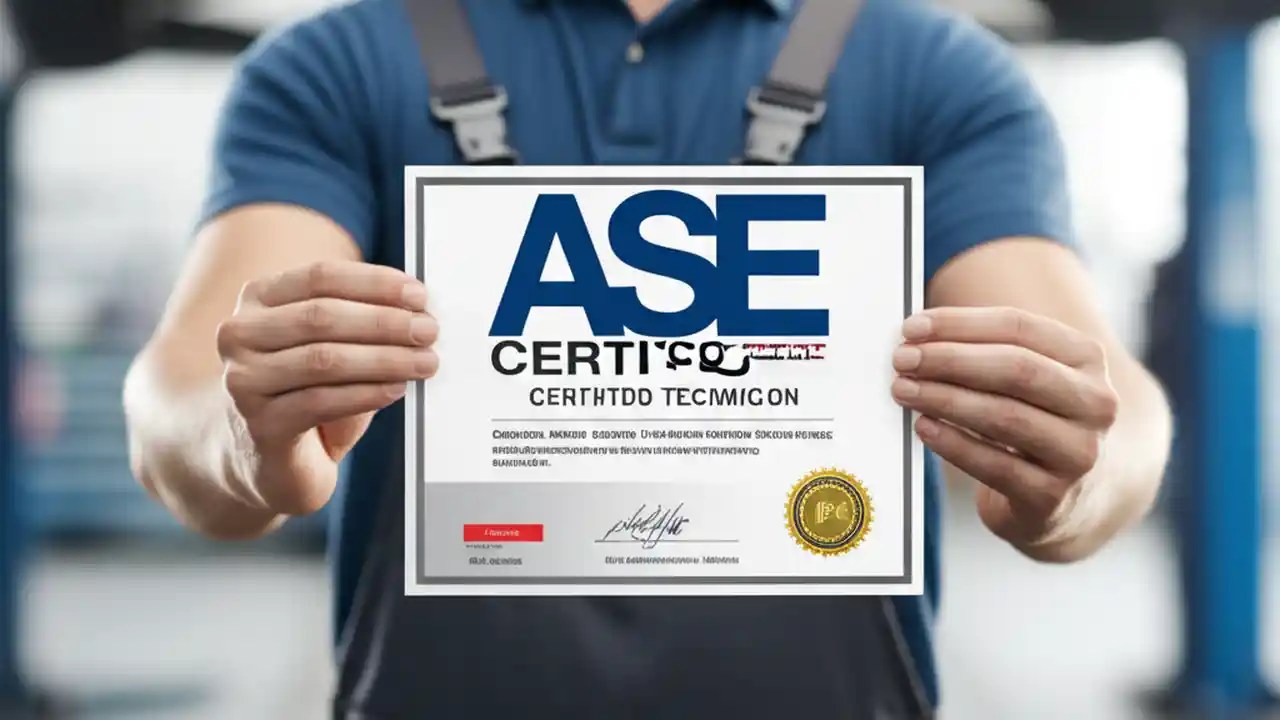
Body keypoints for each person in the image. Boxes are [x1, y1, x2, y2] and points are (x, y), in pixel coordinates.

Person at [123, 0, 1172, 716]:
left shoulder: (930, 69)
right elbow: (177, 395)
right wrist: (240, 435)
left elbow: (1108, 402)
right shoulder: (339, 61)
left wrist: (1073, 477)